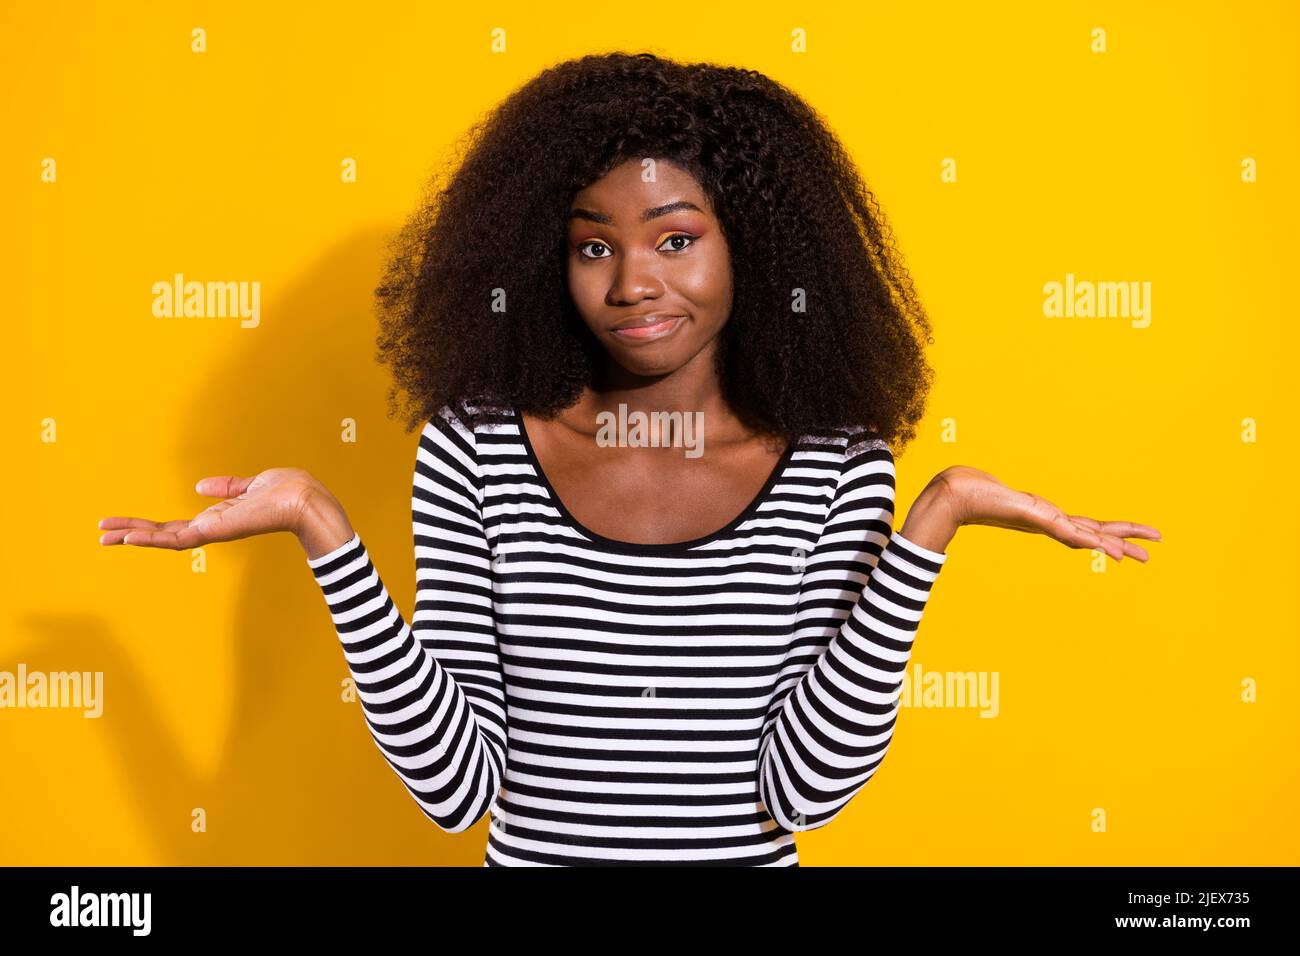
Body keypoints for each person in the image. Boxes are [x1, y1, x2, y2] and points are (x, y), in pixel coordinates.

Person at [98, 52, 1160, 865]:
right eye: (593, 244)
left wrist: (935, 517)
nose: (631, 283)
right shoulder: (478, 447)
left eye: (675, 237)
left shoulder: (835, 465)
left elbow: (804, 790)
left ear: (754, 245)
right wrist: (323, 527)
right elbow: (460, 788)